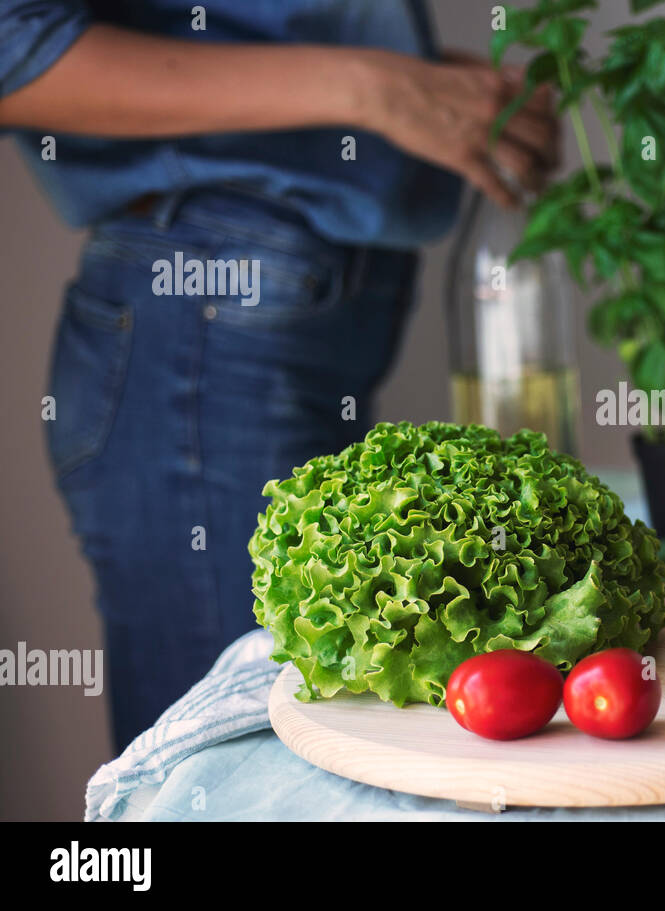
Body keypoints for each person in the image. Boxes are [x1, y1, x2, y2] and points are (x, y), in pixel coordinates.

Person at [0, 0, 558, 753]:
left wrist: (426, 83)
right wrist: (375, 89)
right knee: (227, 772)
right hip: (204, 320)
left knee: (296, 753)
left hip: (299, 321)